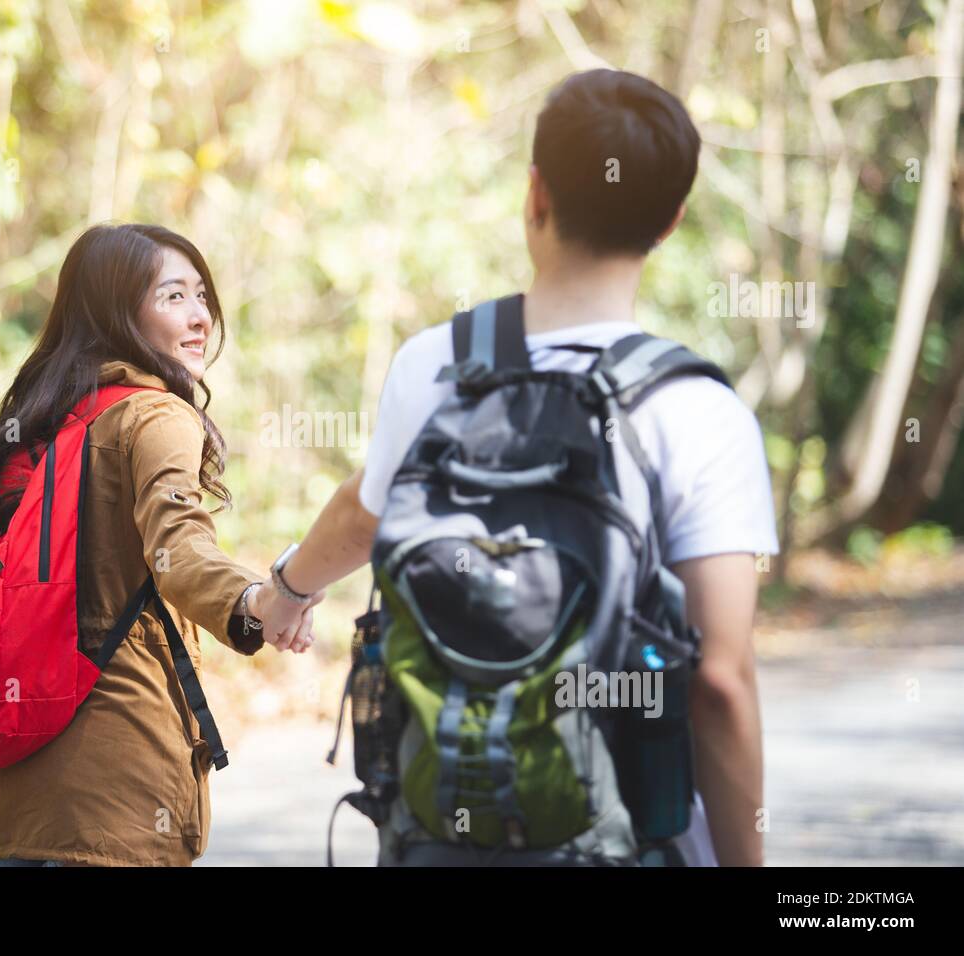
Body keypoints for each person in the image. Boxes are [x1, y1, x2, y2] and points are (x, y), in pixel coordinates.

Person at [260, 69, 776, 866]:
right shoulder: (700, 410)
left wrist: (286, 589)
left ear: (534, 193)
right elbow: (717, 681)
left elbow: (365, 518)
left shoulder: (433, 362)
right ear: (672, 221)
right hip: (625, 841)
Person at [0, 223, 322, 866]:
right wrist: (258, 599)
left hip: (14, 805)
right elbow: (178, 546)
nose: (201, 316)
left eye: (202, 295)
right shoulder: (153, 415)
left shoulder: (41, 428)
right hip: (118, 802)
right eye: (173, 297)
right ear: (118, 314)